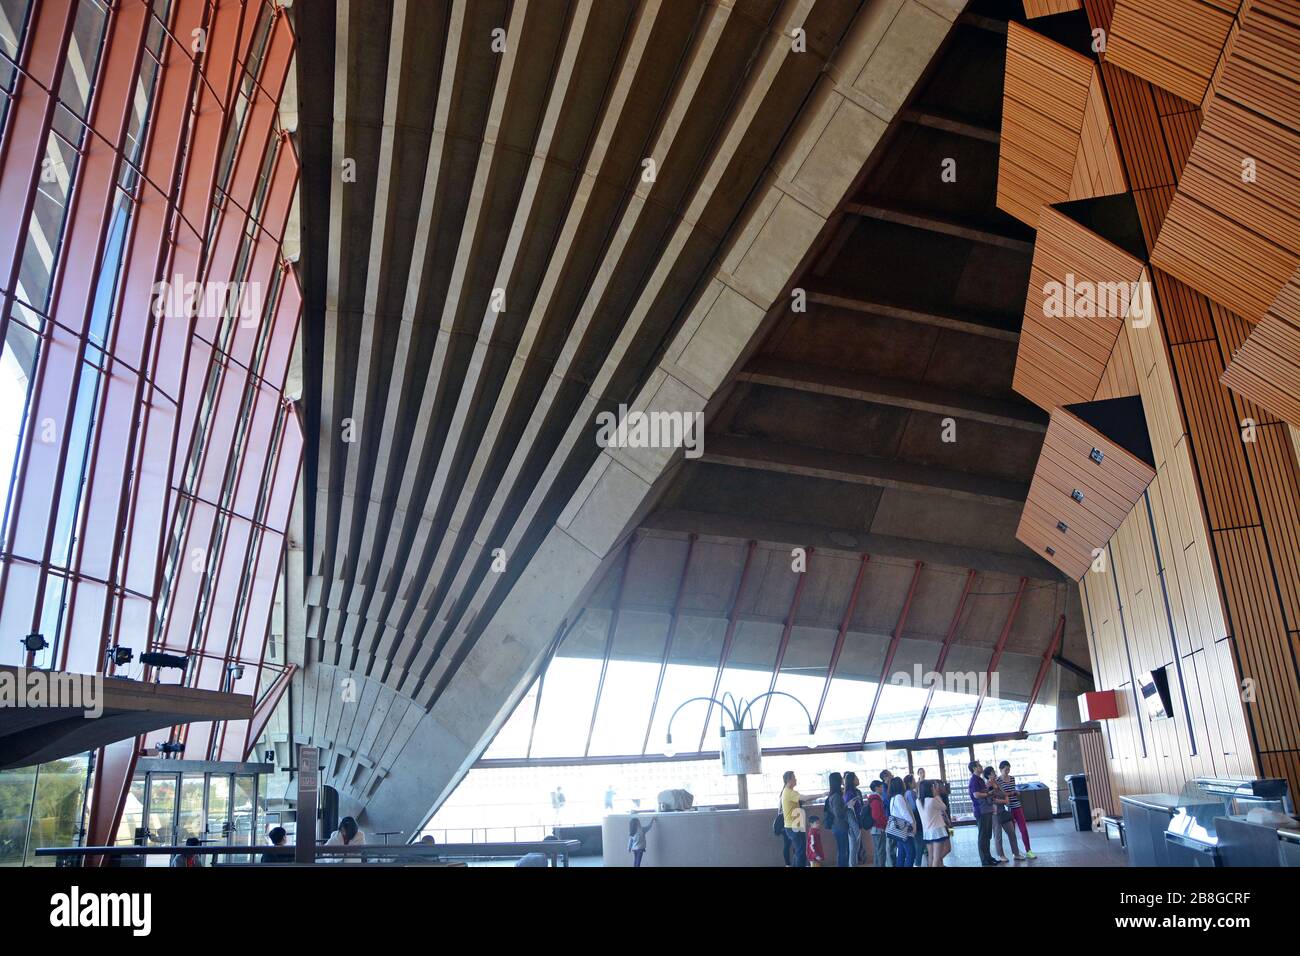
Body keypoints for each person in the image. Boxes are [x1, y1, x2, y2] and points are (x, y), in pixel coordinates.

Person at [985, 766, 1024, 862]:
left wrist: (1006, 799)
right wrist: (1004, 801)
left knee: (1011, 833)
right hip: (995, 814)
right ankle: (1001, 855)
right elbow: (991, 800)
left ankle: (1016, 853)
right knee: (998, 835)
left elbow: (1004, 793)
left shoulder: (998, 783)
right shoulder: (987, 785)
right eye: (993, 772)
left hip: (1003, 811)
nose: (995, 773)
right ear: (989, 775)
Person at [999, 760, 1036, 859]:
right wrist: (1011, 793)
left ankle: (1028, 850)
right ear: (1001, 769)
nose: (1008, 771)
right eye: (1006, 769)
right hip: (1008, 808)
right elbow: (1002, 794)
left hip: (1017, 806)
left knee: (1023, 829)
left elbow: (1012, 790)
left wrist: (1015, 792)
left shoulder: (1012, 778)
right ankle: (1015, 852)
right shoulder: (998, 781)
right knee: (1012, 832)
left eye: (1009, 769)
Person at [969, 760, 998, 866]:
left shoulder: (980, 779)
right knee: (983, 836)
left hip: (987, 809)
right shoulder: (973, 780)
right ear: (974, 768)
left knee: (987, 835)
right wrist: (988, 793)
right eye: (979, 766)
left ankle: (988, 857)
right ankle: (984, 860)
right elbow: (976, 795)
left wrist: (989, 792)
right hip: (981, 811)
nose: (981, 767)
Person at [918, 779, 950, 867]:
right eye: (933, 786)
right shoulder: (932, 800)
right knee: (936, 857)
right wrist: (936, 796)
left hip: (927, 832)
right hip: (937, 831)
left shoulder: (919, 801)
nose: (934, 788)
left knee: (931, 856)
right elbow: (944, 807)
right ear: (930, 788)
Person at [780, 770, 808, 867]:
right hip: (792, 826)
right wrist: (821, 795)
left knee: (800, 851)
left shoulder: (790, 792)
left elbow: (803, 799)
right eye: (794, 778)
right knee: (800, 851)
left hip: (796, 825)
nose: (796, 779)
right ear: (789, 780)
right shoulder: (788, 792)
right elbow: (804, 798)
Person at [886, 777, 916, 868]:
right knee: (911, 853)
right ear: (899, 785)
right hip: (904, 829)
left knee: (902, 855)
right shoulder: (899, 797)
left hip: (898, 830)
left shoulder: (893, 798)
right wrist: (913, 824)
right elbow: (904, 813)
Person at [823, 772, 850, 868]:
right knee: (843, 851)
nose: (843, 780)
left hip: (837, 827)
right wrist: (847, 806)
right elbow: (838, 813)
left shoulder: (833, 795)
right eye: (841, 778)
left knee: (842, 850)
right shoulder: (836, 796)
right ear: (838, 781)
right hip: (840, 826)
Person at [842, 771, 864, 867]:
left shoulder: (855, 792)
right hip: (853, 826)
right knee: (853, 849)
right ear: (852, 780)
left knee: (856, 849)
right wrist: (855, 828)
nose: (858, 779)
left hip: (857, 824)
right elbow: (849, 812)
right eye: (856, 778)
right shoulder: (849, 794)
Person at [903, 773, 925, 867]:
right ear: (909, 783)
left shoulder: (910, 792)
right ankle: (918, 864)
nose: (915, 782)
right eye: (914, 780)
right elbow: (914, 808)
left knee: (919, 844)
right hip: (916, 822)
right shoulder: (910, 793)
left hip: (916, 822)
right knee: (919, 845)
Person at [867, 779, 889, 867]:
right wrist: (885, 823)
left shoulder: (876, 799)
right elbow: (876, 816)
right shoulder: (876, 800)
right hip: (878, 829)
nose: (883, 789)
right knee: (881, 852)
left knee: (877, 851)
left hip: (876, 829)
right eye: (881, 787)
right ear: (876, 788)